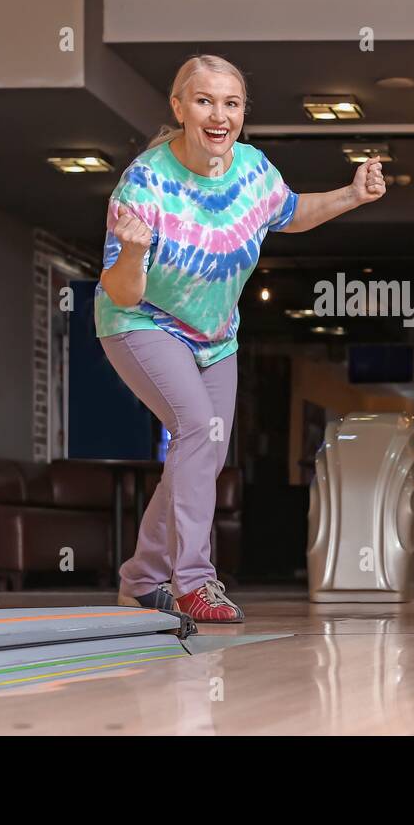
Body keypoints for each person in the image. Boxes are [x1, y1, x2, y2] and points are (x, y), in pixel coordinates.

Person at [96, 54, 386, 623]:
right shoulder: (146, 181)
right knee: (198, 435)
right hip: (142, 322)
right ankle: (195, 583)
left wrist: (351, 195)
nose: (219, 115)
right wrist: (133, 249)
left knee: (203, 451)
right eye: (204, 101)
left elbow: (292, 212)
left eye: (231, 104)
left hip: (216, 335)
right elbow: (123, 292)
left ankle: (140, 580)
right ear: (179, 108)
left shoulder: (252, 168)